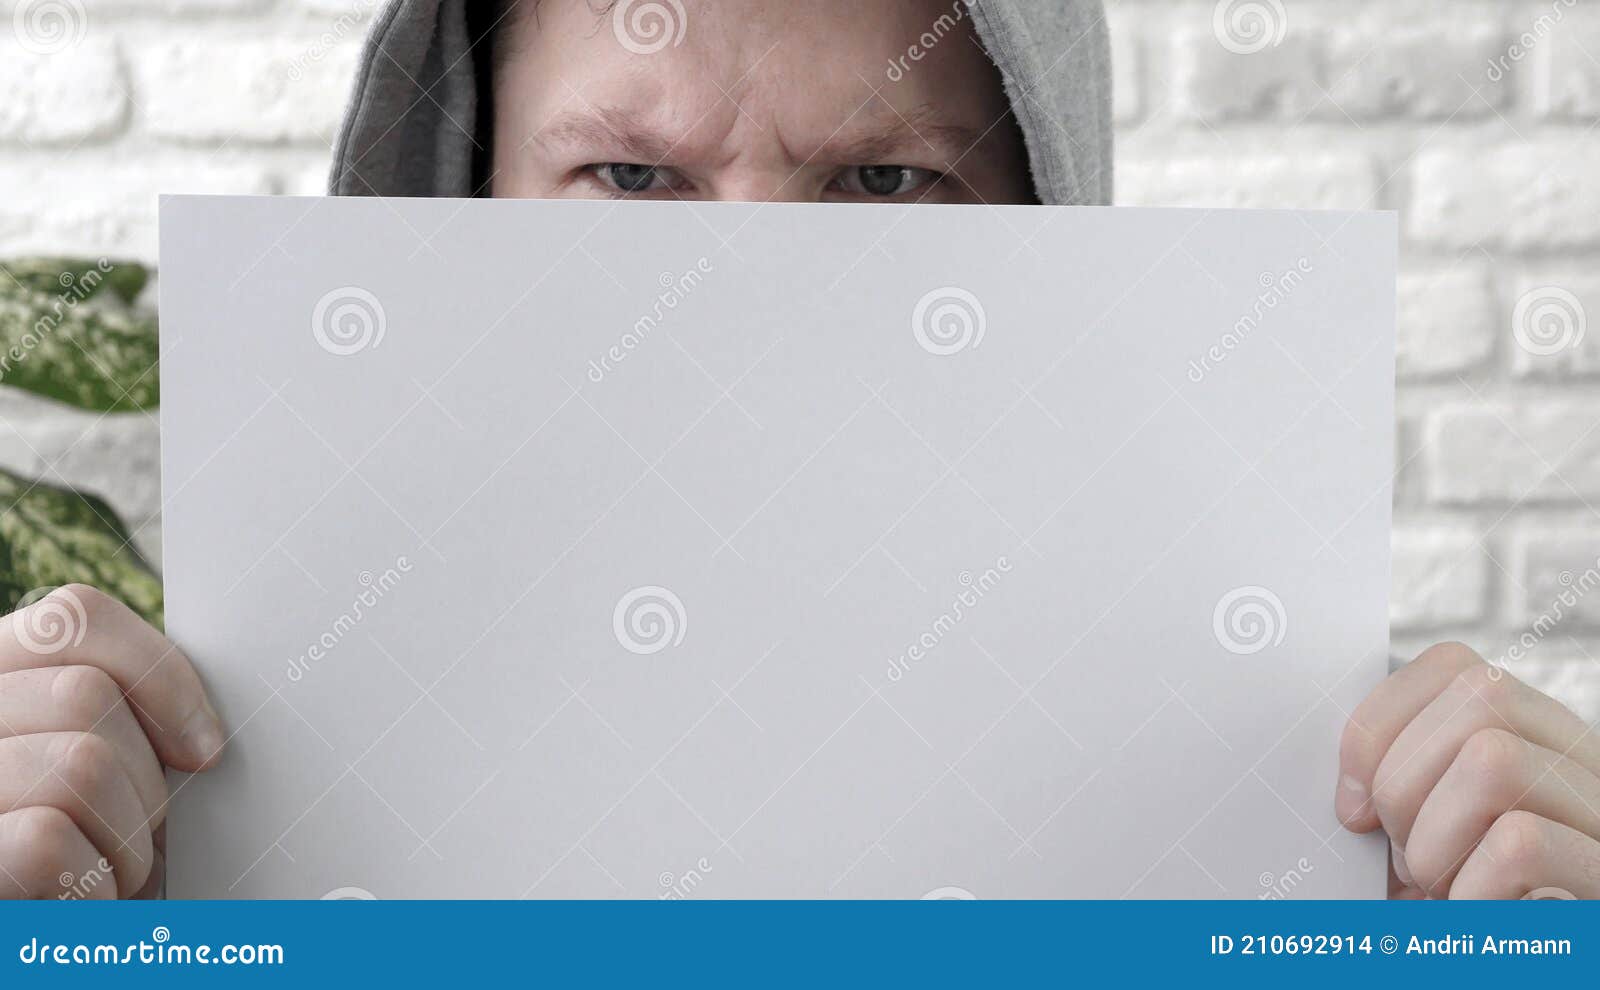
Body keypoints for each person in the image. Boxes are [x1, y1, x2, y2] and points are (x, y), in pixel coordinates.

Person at [1, 0, 1594, 900]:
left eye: (887, 184)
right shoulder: (166, 795)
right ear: (446, 204)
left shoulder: (1339, 810)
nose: (744, 302)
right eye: (630, 178)